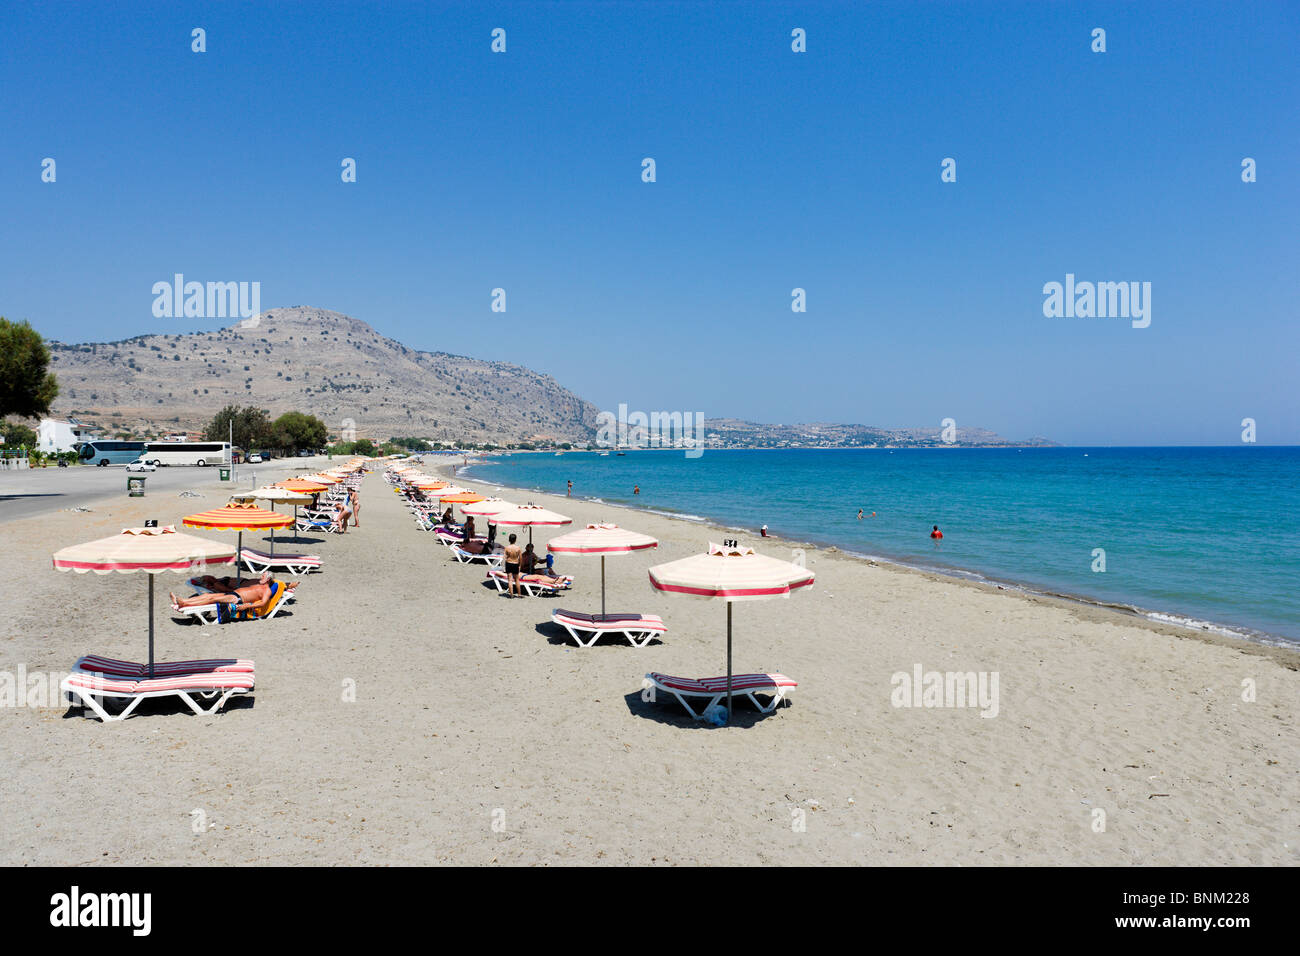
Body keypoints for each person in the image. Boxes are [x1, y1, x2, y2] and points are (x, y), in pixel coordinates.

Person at [170, 573, 296, 616]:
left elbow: (263, 603)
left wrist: (246, 606)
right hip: (234, 593)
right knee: (209, 596)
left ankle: (185, 603)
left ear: (268, 579)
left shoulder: (267, 590)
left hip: (238, 599)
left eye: (263, 576)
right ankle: (182, 601)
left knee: (212, 599)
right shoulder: (258, 585)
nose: (261, 577)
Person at [502, 533, 523, 597]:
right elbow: (520, 558)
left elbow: (504, 557)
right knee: (517, 579)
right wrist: (520, 565)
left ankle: (511, 594)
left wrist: (503, 567)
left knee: (510, 580)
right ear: (515, 540)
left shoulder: (507, 548)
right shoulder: (518, 548)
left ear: (509, 540)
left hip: (509, 563)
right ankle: (519, 594)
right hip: (515, 563)